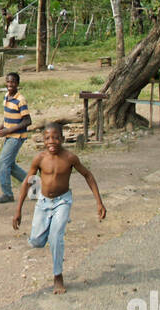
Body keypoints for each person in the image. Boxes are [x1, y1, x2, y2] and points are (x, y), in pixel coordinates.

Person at [12, 123, 106, 294]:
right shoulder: (39, 159)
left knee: (56, 236)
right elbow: (27, 182)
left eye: (56, 137)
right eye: (47, 138)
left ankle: (58, 277)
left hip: (63, 201)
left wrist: (99, 202)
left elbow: (88, 175)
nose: (52, 141)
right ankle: (50, 227)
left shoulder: (69, 158)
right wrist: (18, 210)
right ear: (43, 140)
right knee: (37, 241)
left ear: (62, 139)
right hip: (43, 202)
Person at [0, 72, 31, 204]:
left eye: (13, 82)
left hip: (17, 136)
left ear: (17, 84)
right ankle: (33, 184)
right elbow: (7, 118)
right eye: (8, 82)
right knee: (10, 165)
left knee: (2, 164)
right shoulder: (7, 97)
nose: (10, 85)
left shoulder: (20, 99)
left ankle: (7, 194)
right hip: (9, 135)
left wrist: (9, 130)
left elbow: (27, 121)